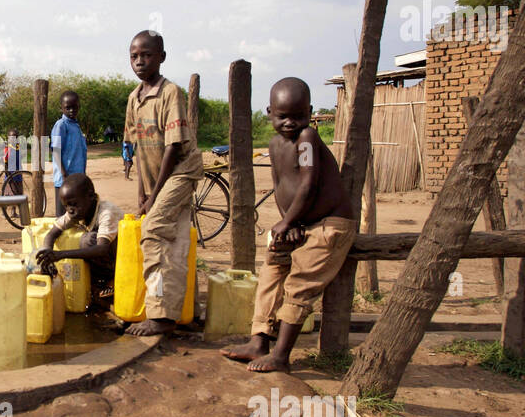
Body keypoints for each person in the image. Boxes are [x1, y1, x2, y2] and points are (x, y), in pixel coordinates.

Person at [221, 77, 355, 372]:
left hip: (328, 226)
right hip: (300, 222)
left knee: (299, 285)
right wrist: (288, 222)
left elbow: (309, 183)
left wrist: (290, 221)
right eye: (283, 116)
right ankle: (259, 341)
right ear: (269, 112)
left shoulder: (307, 138)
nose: (291, 123)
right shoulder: (273, 144)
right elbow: (281, 185)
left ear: (309, 112)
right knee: (272, 270)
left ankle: (281, 357)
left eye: (299, 116)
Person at [123, 30, 202, 336]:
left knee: (153, 229)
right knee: (177, 240)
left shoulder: (171, 93)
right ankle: (184, 311)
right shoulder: (134, 98)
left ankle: (161, 316)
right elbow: (140, 150)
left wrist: (154, 197)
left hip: (181, 170)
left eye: (146, 55)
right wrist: (142, 194)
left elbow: (172, 148)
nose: (140, 61)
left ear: (161, 57)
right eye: (134, 56)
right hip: (157, 177)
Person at [35, 173, 121, 304]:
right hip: (108, 259)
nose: (70, 210)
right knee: (80, 239)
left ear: (90, 196)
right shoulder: (76, 211)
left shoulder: (106, 213)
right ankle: (96, 283)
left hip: (121, 261)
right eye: (66, 206)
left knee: (87, 241)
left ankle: (110, 281)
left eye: (73, 204)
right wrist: (48, 253)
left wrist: (60, 255)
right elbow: (51, 234)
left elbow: (102, 249)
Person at [50, 90, 86, 215]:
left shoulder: (76, 126)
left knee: (74, 214)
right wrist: (64, 174)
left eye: (74, 107)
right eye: (68, 108)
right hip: (64, 179)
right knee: (62, 215)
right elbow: (55, 151)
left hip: (77, 178)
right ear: (62, 108)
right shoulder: (61, 125)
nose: (71, 110)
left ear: (79, 106)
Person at [3, 127, 24, 195]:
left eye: (14, 137)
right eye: (11, 137)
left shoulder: (17, 147)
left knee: (19, 195)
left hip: (18, 176)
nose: (12, 139)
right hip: (10, 177)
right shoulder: (7, 148)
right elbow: (5, 162)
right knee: (12, 197)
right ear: (8, 138)